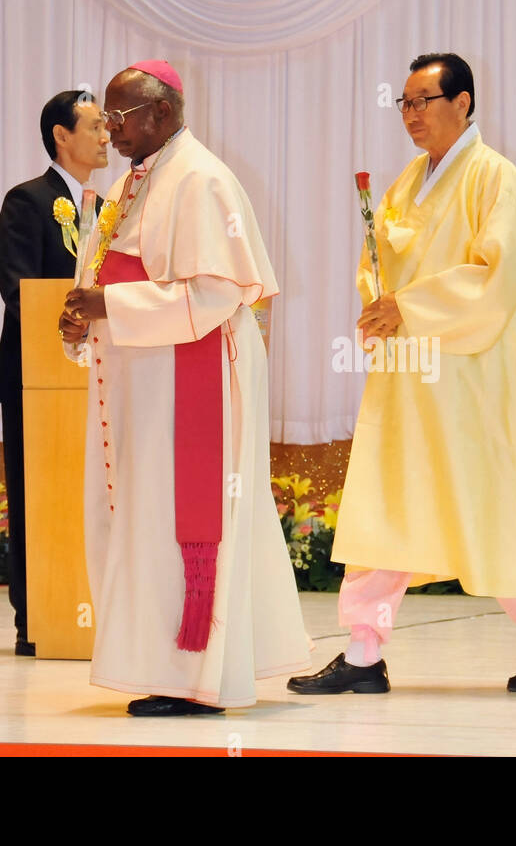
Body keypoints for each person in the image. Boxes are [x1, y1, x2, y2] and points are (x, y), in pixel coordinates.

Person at [288, 53, 516, 697]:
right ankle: (363, 651)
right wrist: (378, 299)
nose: (411, 115)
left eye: (424, 100)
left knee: (496, 502)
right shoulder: (404, 181)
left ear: (464, 102)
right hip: (410, 376)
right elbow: (381, 264)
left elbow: (495, 276)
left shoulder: (492, 176)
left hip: (474, 377)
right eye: (404, 103)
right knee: (386, 501)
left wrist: (410, 307)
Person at [59, 61, 309, 715]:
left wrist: (108, 304)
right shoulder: (133, 184)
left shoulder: (199, 179)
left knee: (186, 524)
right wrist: (83, 314)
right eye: (104, 116)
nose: (109, 129)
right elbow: (106, 274)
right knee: (144, 524)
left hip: (193, 380)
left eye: (121, 116)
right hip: (148, 383)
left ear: (162, 114)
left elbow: (219, 290)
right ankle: (166, 667)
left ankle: (198, 676)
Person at [0, 90, 108, 656]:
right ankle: (33, 619)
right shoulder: (27, 200)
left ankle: (92, 609)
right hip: (35, 380)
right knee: (33, 497)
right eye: (94, 126)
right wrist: (71, 319)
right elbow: (17, 289)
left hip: (102, 377)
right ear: (62, 135)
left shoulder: (109, 211)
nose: (107, 135)